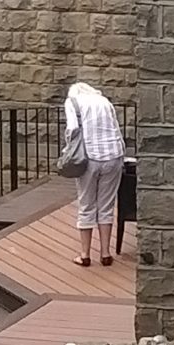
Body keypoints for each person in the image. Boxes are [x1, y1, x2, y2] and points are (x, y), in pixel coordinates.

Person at [63, 79, 128, 266]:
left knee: (86, 204)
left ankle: (85, 255)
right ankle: (106, 253)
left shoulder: (72, 102)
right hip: (114, 156)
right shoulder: (104, 101)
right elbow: (115, 127)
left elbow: (72, 129)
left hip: (89, 158)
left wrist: (69, 149)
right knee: (106, 205)